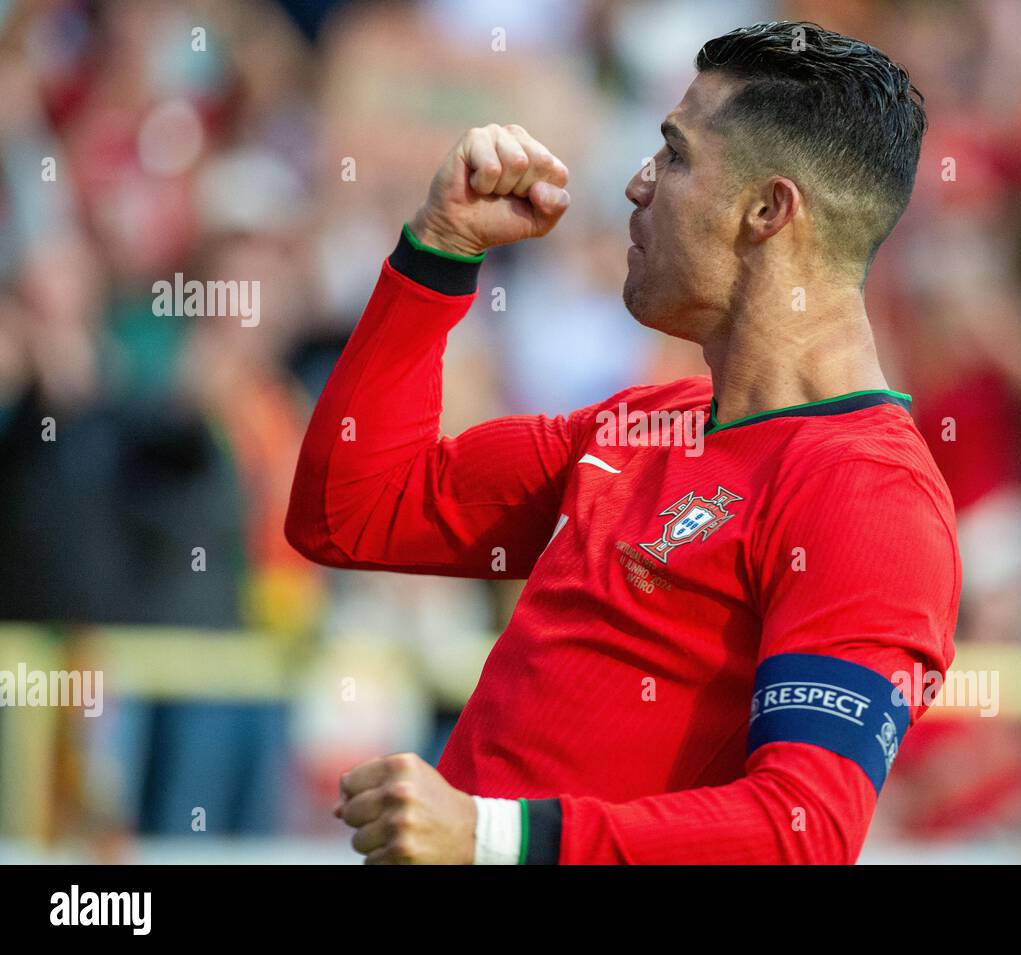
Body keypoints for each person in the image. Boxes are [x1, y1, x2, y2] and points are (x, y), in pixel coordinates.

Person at [286, 20, 960, 864]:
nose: (638, 185)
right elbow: (350, 513)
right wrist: (439, 251)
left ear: (768, 210)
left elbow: (804, 832)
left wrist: (493, 834)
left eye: (674, 156)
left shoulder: (868, 494)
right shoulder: (640, 424)